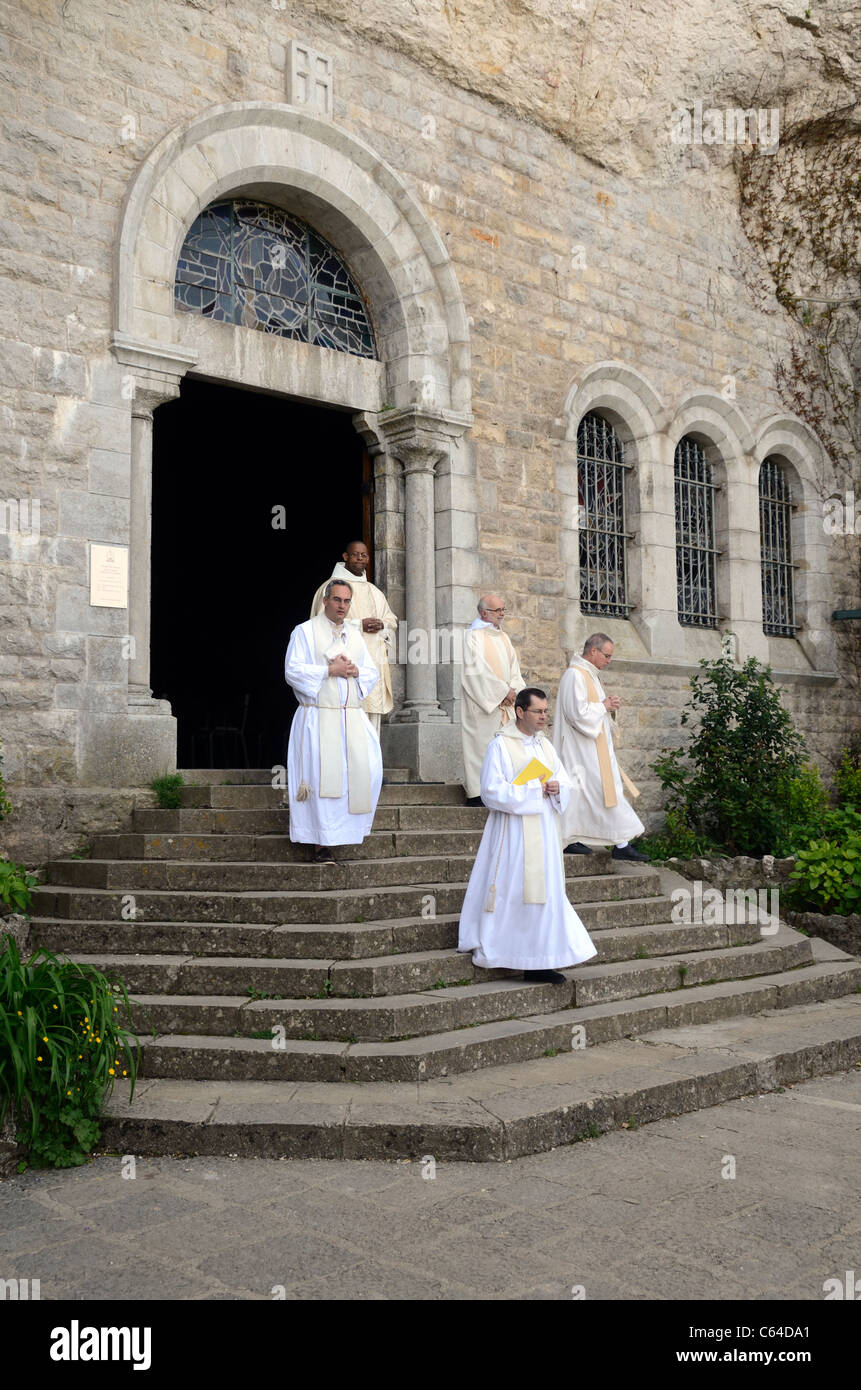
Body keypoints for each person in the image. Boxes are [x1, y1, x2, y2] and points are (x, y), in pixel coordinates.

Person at [458, 688, 597, 982]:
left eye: (546, 711)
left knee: (544, 892)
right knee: (516, 891)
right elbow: (491, 792)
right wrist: (535, 790)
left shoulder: (545, 747)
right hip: (513, 834)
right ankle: (511, 951)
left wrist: (560, 788)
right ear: (520, 712)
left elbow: (564, 780)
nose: (544, 717)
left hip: (544, 832)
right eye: (538, 712)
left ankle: (541, 958)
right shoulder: (501, 745)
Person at [284, 579, 382, 864]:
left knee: (365, 771)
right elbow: (293, 670)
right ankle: (319, 843)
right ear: (325, 600)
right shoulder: (304, 631)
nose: (342, 606)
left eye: (347, 601)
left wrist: (352, 669)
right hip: (318, 716)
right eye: (337, 600)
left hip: (350, 716)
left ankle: (345, 833)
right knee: (319, 776)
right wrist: (330, 670)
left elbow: (370, 671)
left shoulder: (353, 636)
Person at [552, 633, 648, 861]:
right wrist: (604, 705)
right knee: (591, 793)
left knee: (604, 792)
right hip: (579, 750)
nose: (608, 660)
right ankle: (573, 838)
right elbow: (577, 715)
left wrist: (608, 707)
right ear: (592, 651)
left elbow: (593, 711)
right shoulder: (575, 676)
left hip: (593, 748)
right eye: (606, 655)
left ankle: (619, 843)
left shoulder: (589, 675)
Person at [310, 540, 398, 737]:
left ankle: (367, 768)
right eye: (356, 554)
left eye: (364, 555)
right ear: (345, 557)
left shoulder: (375, 592)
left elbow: (391, 620)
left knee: (369, 735)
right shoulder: (329, 589)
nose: (360, 558)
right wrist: (360, 625)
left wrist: (382, 625)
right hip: (342, 669)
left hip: (371, 668)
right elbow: (320, 624)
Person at [460, 594, 526, 806]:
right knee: (481, 747)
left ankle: (502, 788)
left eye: (503, 609)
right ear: (484, 613)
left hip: (505, 703)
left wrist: (515, 692)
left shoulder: (504, 638)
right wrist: (501, 692)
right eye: (498, 610)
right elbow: (476, 671)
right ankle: (478, 793)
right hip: (482, 704)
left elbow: (514, 668)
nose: (503, 614)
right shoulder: (472, 636)